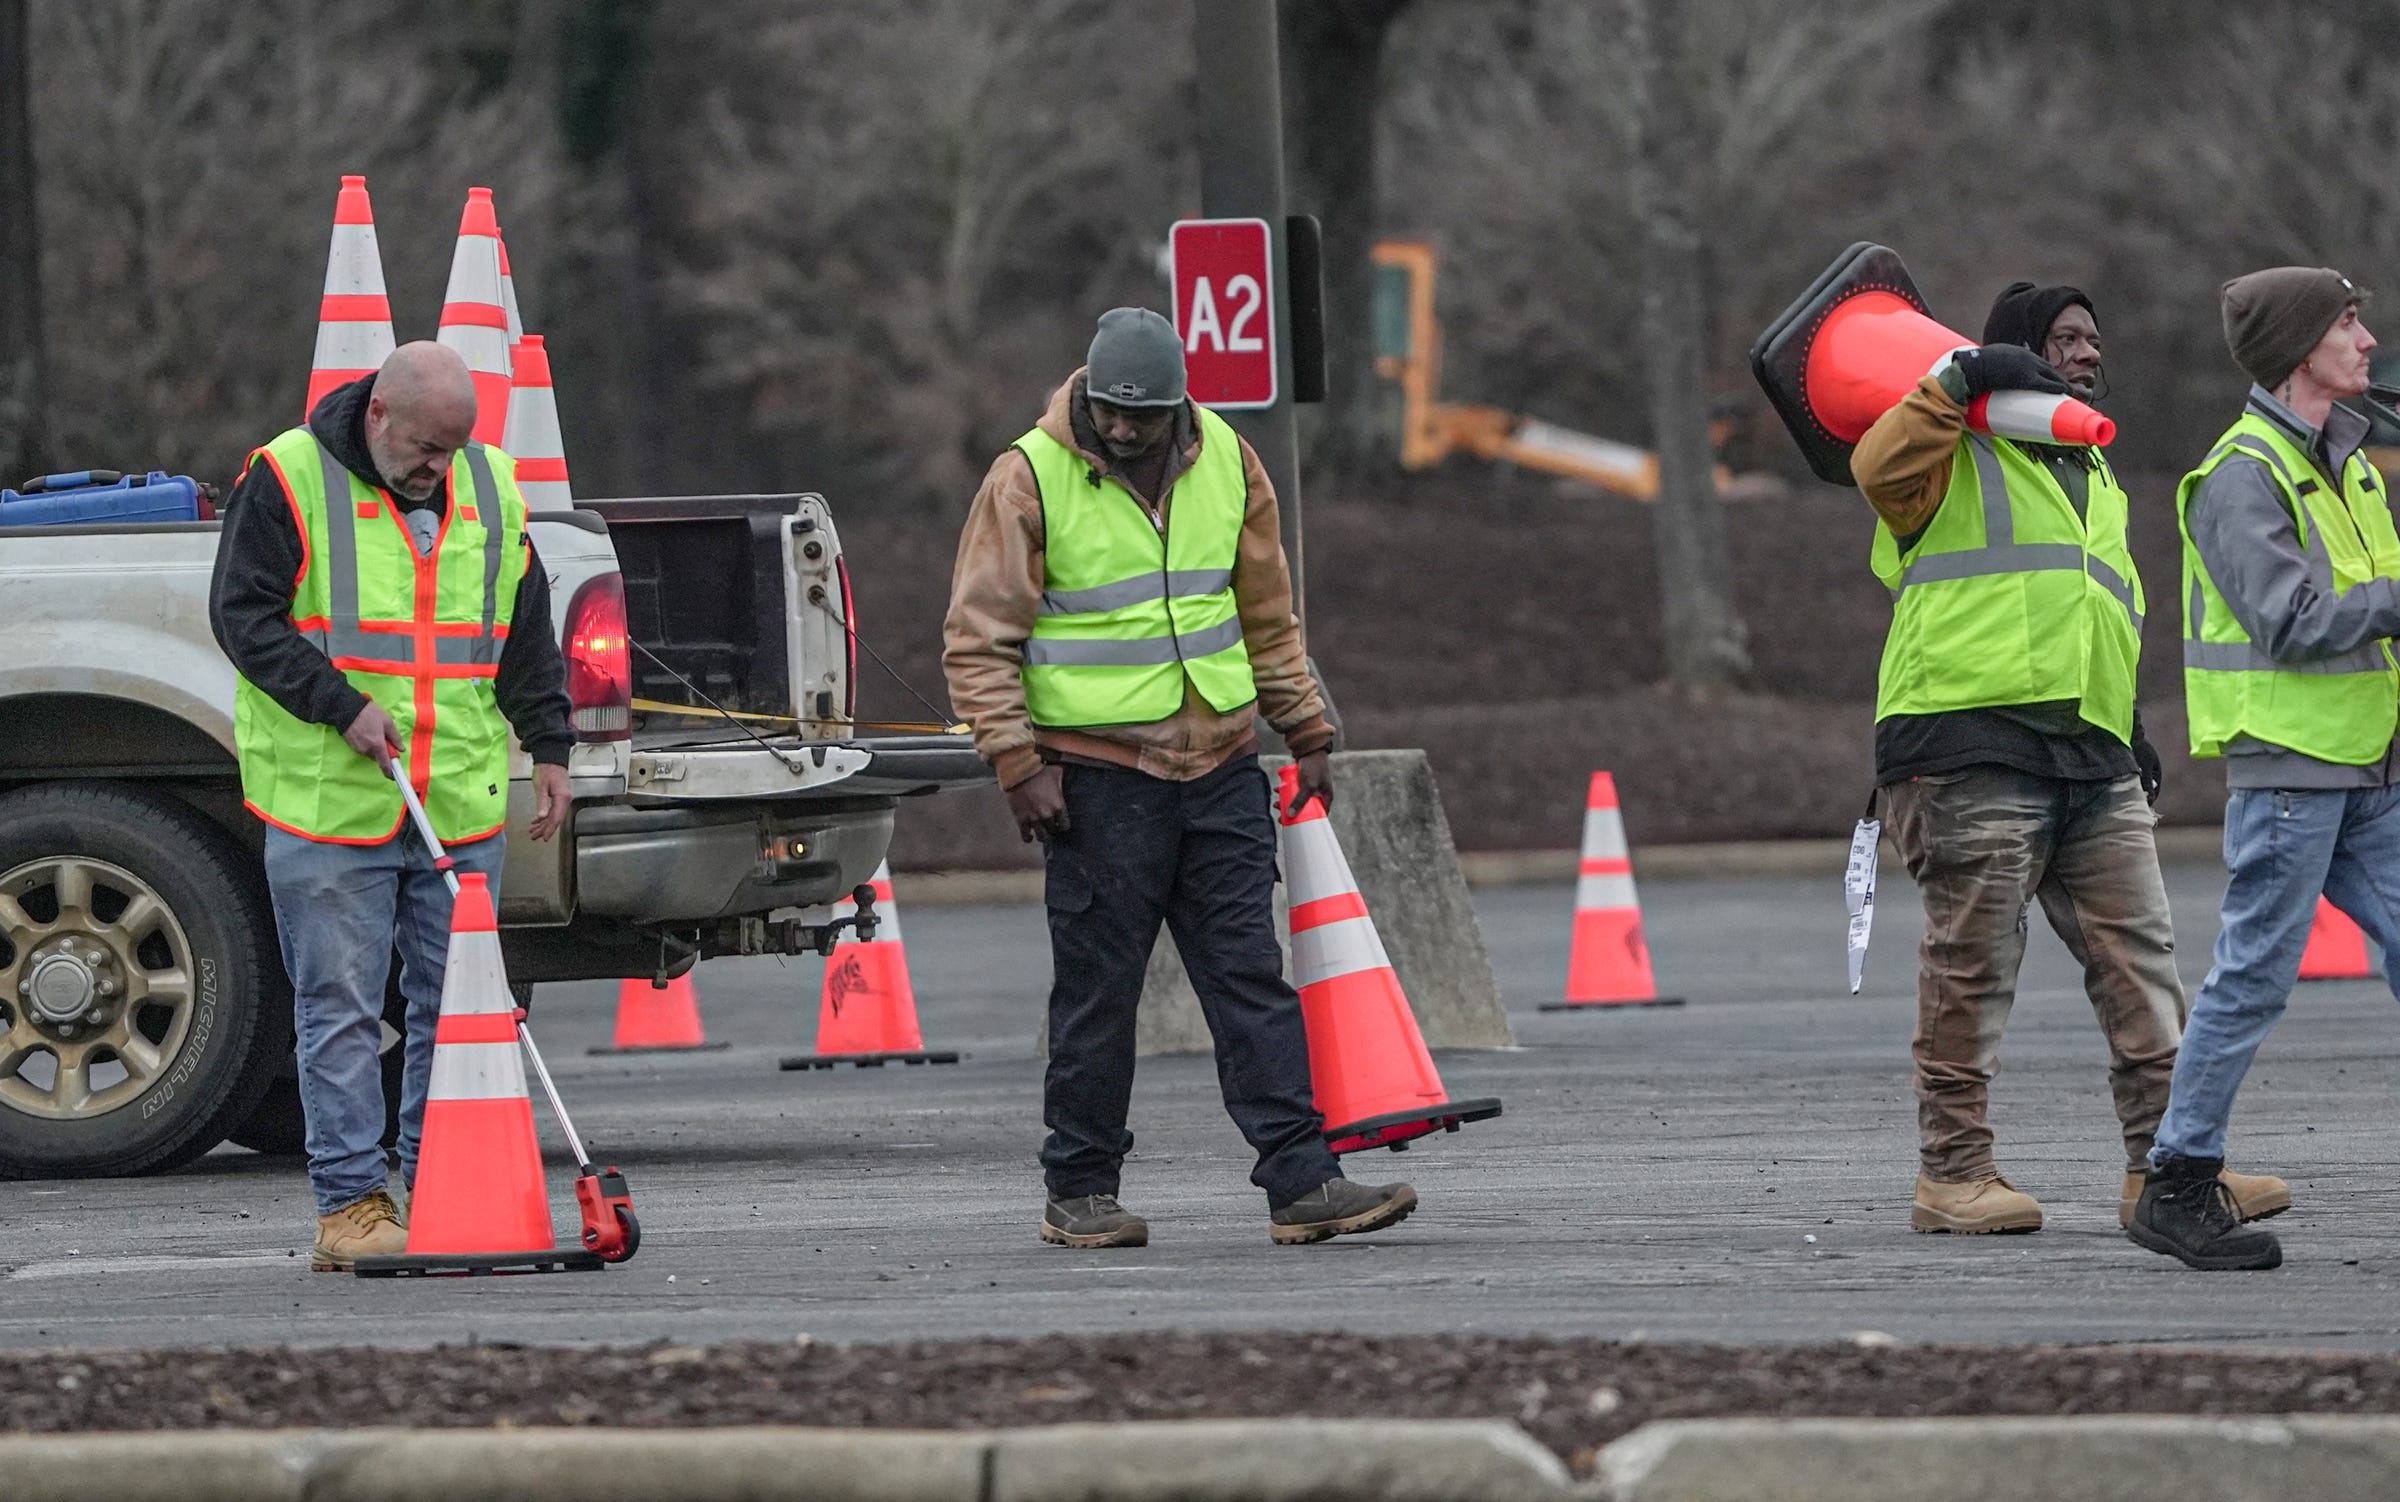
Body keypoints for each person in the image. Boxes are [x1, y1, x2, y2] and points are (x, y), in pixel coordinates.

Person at [944, 307, 1414, 1248]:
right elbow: (978, 639)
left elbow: (1267, 614)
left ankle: (1301, 1180)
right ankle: (1080, 1191)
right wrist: (1017, 764)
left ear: (1177, 405)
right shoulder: (1028, 477)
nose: (1124, 430)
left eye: (1143, 417)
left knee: (1250, 979)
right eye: (1111, 413)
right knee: (1098, 993)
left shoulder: (1231, 463)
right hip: (1096, 779)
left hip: (1223, 768)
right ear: (1087, 393)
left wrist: (1306, 726)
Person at [1851, 282, 2289, 1235]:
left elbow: (2097, 611)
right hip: (1966, 748)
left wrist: (2125, 725)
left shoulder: (2094, 475)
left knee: (2144, 965)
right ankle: (1952, 1175)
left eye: (2094, 337)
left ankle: (2169, 1168)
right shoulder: (1948, 454)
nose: (2089, 352)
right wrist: (1955, 382)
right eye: (2064, 339)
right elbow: (1876, 463)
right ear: (2013, 356)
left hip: (2090, 757)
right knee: (1972, 968)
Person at [210, 343, 573, 1271]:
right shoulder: (288, 479)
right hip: (330, 798)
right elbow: (244, 617)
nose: (437, 469)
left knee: (453, 1012)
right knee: (337, 1008)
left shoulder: (491, 488)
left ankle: (437, 1185)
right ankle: (352, 1208)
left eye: (453, 450)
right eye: (424, 448)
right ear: (377, 414)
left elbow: (522, 626)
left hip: (453, 796)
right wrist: (342, 706)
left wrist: (554, 747)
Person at [2132, 269, 2392, 1272]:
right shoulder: (2245, 473)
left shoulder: (2347, 461)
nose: (2367, 341)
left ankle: (2179, 1175)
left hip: (2368, 763)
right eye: (2348, 323)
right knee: (2251, 977)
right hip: (2293, 769)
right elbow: (2290, 619)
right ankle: (2179, 1181)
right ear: (2299, 349)